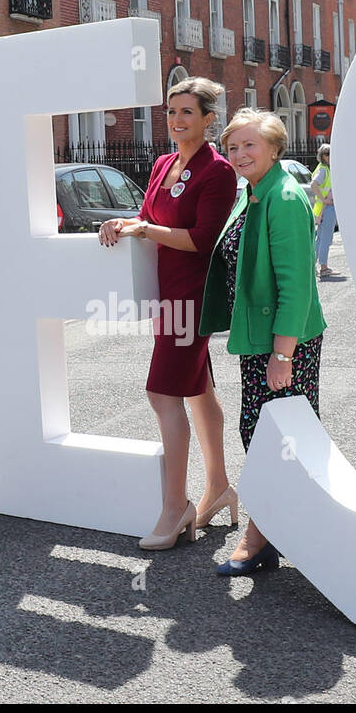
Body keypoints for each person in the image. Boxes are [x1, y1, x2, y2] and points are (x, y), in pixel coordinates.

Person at [99, 78, 239, 550]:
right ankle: (218, 487)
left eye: (186, 113)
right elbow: (148, 218)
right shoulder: (162, 163)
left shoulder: (217, 171)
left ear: (208, 119)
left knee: (162, 394)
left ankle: (175, 506)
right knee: (198, 391)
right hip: (167, 293)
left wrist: (146, 228)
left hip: (191, 296)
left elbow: (201, 238)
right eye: (171, 112)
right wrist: (126, 223)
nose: (177, 121)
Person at [200, 109, 327, 575]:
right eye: (232, 147)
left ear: (275, 148)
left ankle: (259, 537)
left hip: (284, 343)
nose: (239, 155)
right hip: (261, 341)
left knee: (275, 439)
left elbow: (297, 285)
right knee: (262, 434)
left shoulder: (285, 196)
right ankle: (278, 529)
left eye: (250, 145)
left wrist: (282, 354)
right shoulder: (253, 192)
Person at [311, 144, 337, 277]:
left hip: (323, 208)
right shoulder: (324, 170)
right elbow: (314, 185)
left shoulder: (324, 169)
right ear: (324, 156)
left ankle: (313, 266)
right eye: (329, 154)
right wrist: (324, 199)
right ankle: (324, 267)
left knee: (320, 238)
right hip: (326, 208)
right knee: (325, 238)